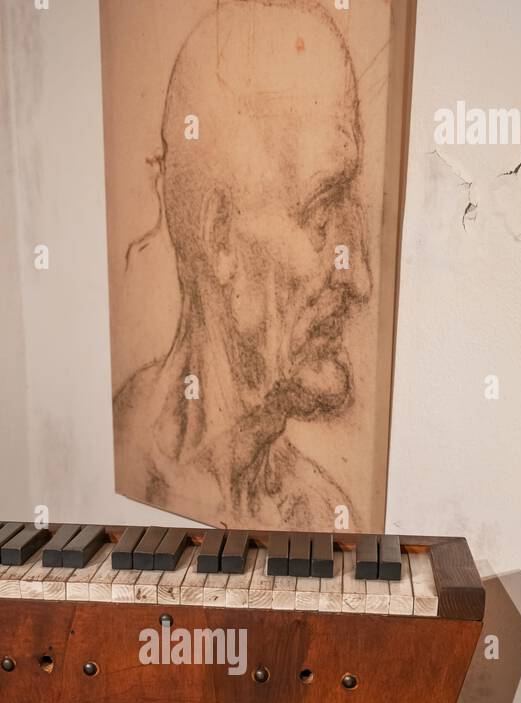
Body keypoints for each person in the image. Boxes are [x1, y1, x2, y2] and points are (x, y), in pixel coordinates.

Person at [113, 0, 372, 528]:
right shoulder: (125, 450)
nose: (359, 277)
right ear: (221, 240)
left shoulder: (318, 512)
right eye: (322, 211)